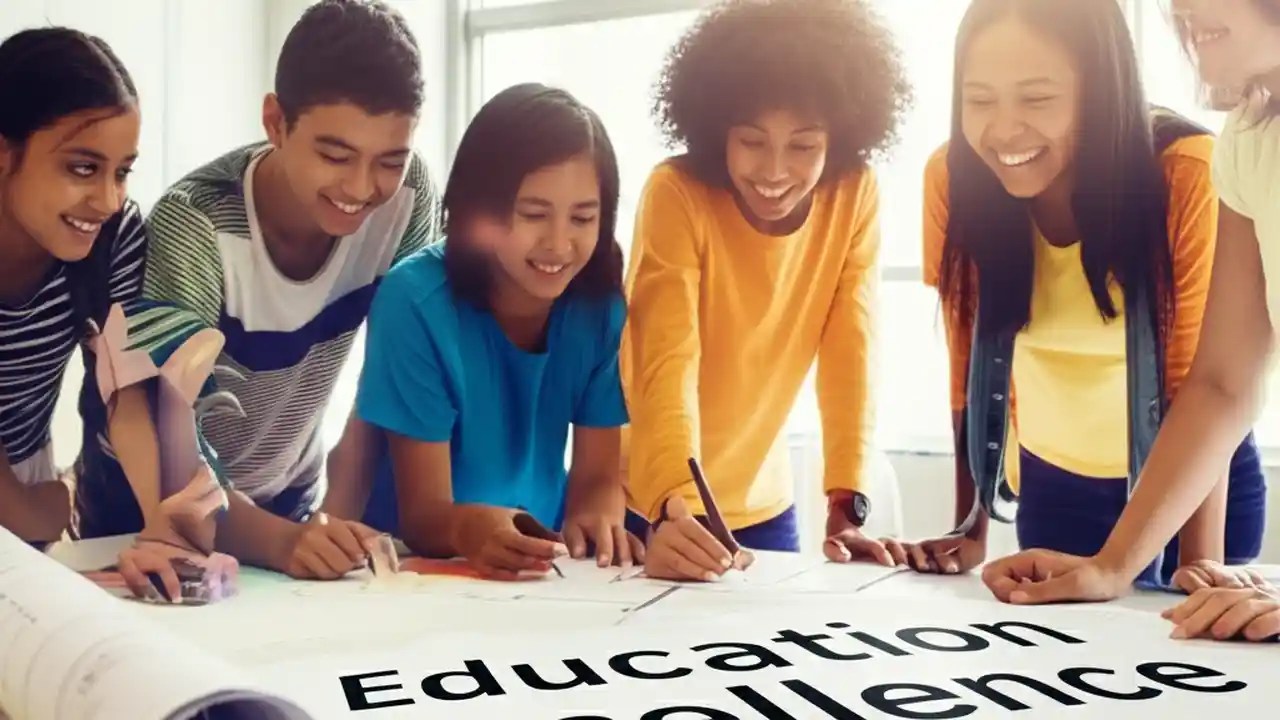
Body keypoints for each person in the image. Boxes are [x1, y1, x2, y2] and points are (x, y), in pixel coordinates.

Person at [902, 0, 1267, 589]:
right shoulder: (953, 178)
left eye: (1037, 99)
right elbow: (968, 362)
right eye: (980, 100)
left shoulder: (1186, 171)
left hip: (1187, 490)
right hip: (1053, 489)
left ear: (1101, 93)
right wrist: (970, 526)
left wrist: (1198, 566)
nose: (1004, 130)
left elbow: (1201, 385)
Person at [73, 0, 441, 582]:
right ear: (275, 122)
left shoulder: (409, 197)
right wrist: (282, 542)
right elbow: (170, 428)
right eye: (335, 155)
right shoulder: (197, 223)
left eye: (389, 160)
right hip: (150, 512)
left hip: (287, 499)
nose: (361, 187)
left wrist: (334, 517)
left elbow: (392, 376)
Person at [622, 0, 910, 581]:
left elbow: (852, 349)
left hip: (765, 505)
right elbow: (666, 361)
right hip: (654, 500)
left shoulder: (854, 194)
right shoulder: (676, 193)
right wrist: (673, 505)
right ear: (718, 132)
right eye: (751, 141)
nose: (775, 170)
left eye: (803, 146)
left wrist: (846, 505)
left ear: (839, 138)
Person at [335, 83, 640, 578]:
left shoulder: (598, 304)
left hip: (539, 569)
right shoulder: (415, 300)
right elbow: (424, 516)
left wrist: (596, 519)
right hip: (407, 572)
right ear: (482, 209)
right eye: (534, 214)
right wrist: (470, 530)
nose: (559, 244)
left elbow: (598, 476)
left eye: (583, 217)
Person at [0, 27, 227, 599]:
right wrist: (45, 507)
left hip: (25, 472)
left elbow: (125, 392)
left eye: (122, 171)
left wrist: (161, 523)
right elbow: (33, 512)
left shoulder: (112, 235)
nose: (107, 200)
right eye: (82, 168)